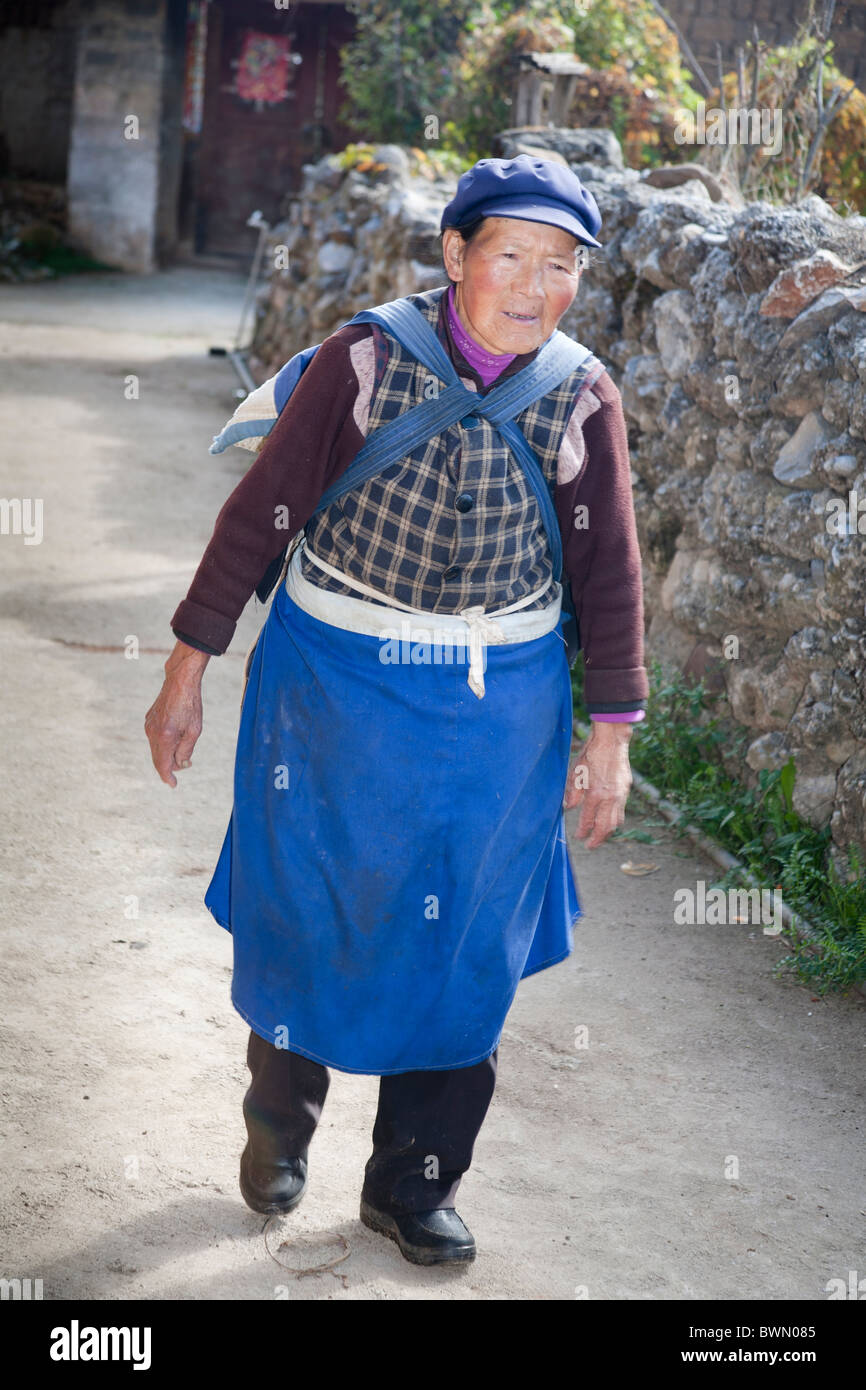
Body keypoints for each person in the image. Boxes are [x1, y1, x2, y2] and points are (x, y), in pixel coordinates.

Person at [145, 155, 648, 1267]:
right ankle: (279, 1129)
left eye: (560, 265)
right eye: (510, 255)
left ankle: (414, 1184)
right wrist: (187, 665)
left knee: (466, 934)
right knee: (309, 903)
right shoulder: (367, 359)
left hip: (496, 714)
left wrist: (609, 738)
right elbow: (262, 513)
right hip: (331, 689)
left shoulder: (581, 395)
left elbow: (609, 575)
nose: (535, 285)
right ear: (456, 254)